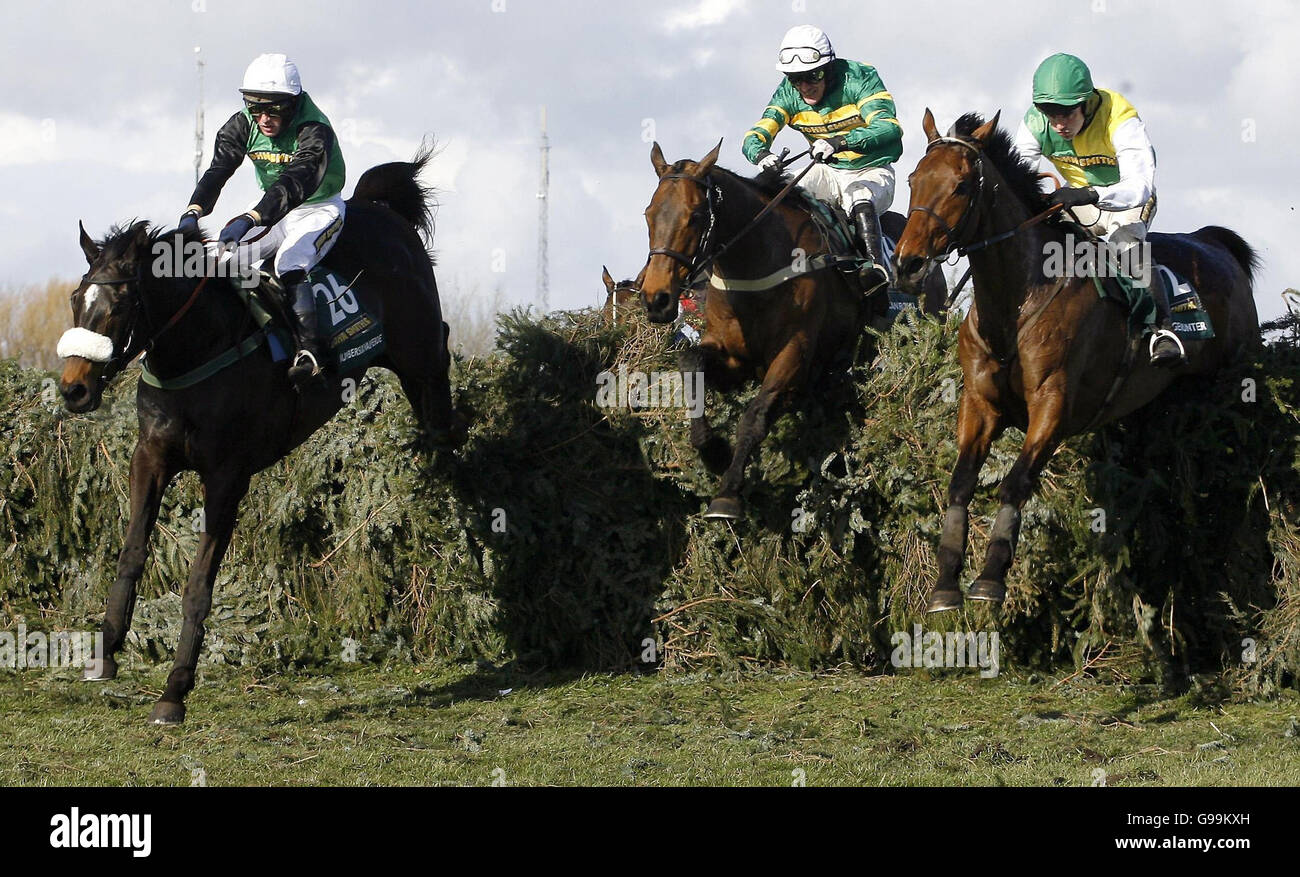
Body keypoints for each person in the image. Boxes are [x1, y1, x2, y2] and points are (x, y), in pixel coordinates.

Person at [178, 53, 347, 386]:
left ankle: (312, 354)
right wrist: (192, 211)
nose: (264, 118)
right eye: (255, 107)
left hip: (318, 208)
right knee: (213, 259)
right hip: (273, 211)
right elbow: (219, 169)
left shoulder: (315, 129)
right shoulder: (243, 123)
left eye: (275, 109)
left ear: (294, 103)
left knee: (289, 261)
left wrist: (251, 217)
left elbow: (295, 182)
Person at [1014, 53, 1181, 366]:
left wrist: (1089, 193)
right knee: (1039, 240)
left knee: (1126, 247)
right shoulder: (1035, 123)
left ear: (1086, 102)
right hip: (1080, 202)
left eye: (1066, 112)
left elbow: (1139, 185)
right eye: (1050, 113)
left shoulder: (1120, 115)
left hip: (1127, 201)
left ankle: (1162, 329)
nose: (1059, 124)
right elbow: (1017, 177)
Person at [742, 24, 902, 292]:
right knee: (780, 194)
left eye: (813, 75)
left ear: (828, 68)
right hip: (828, 171)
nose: (804, 86)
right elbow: (755, 135)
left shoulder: (860, 77)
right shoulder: (788, 92)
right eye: (796, 78)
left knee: (858, 195)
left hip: (871, 170)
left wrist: (839, 142)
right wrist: (762, 155)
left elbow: (889, 127)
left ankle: (874, 272)